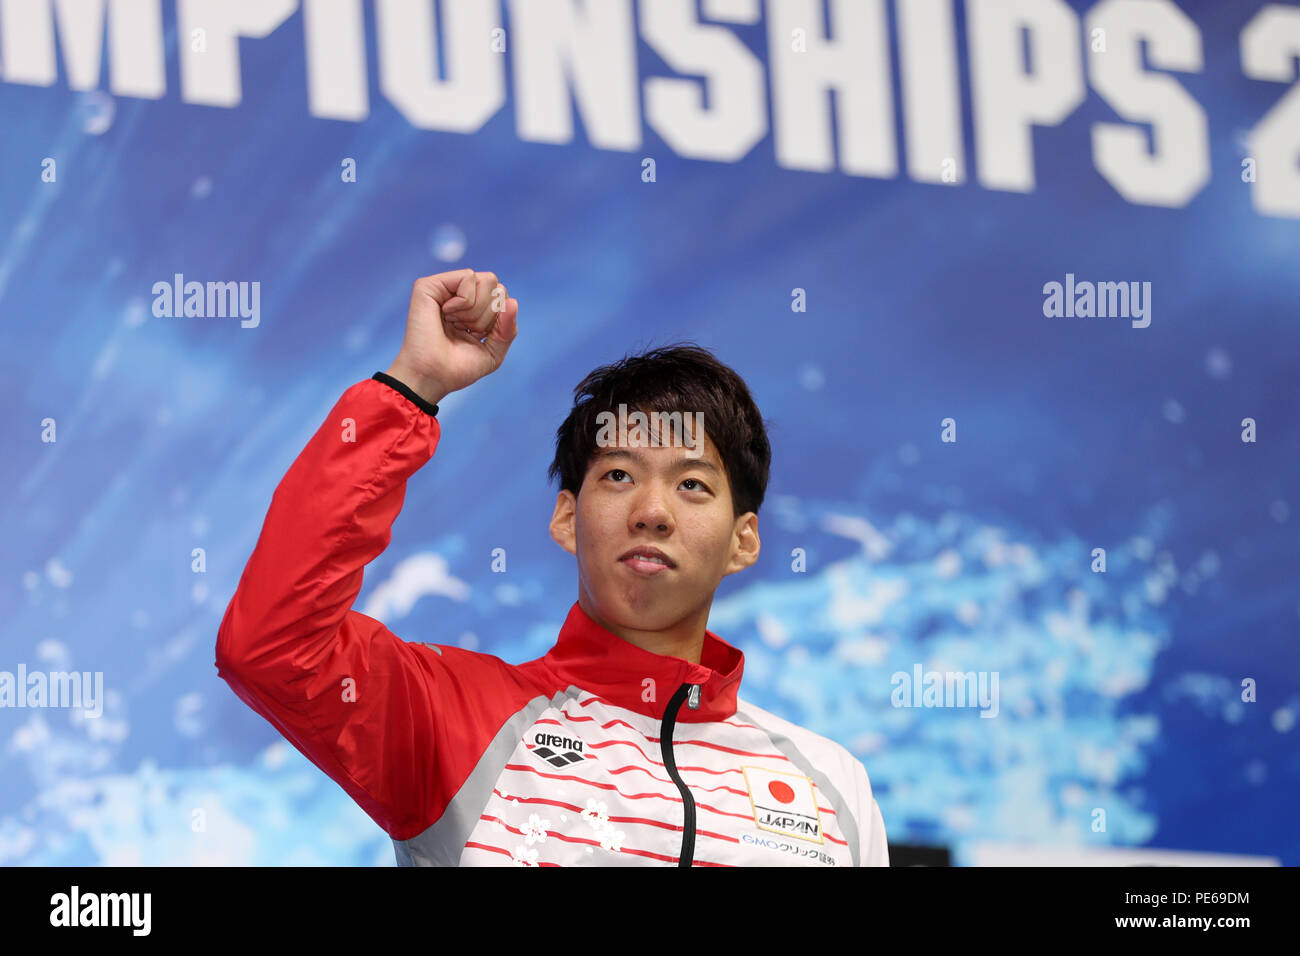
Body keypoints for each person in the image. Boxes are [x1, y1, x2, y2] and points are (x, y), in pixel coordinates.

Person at [215, 269, 889, 866]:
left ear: (744, 541)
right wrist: (412, 387)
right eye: (620, 475)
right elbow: (273, 646)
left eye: (691, 485)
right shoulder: (454, 721)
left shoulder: (831, 785)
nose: (652, 511)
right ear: (567, 518)